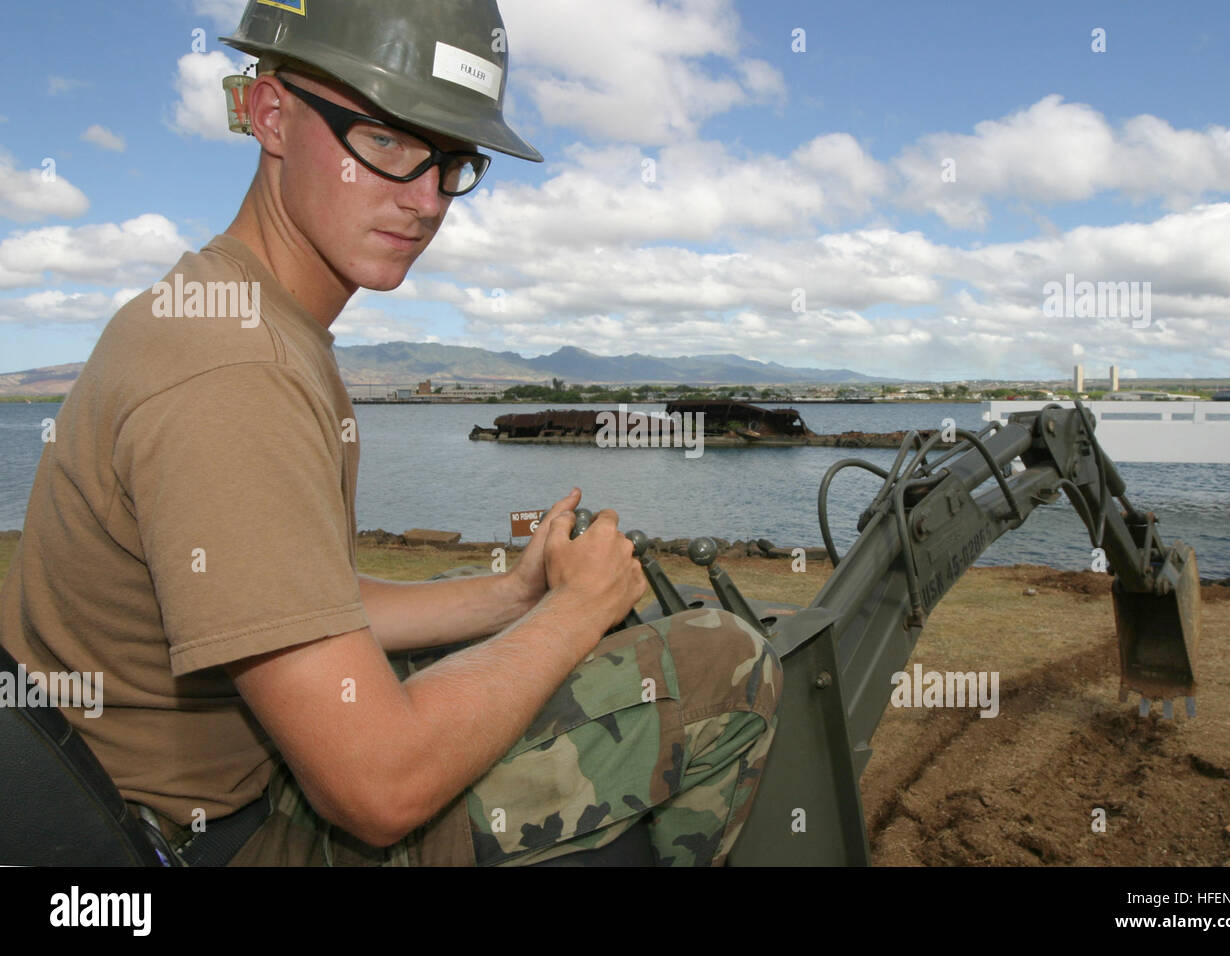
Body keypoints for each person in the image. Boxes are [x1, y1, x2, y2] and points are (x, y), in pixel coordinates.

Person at [0, 0, 781, 866]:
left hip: (169, 802)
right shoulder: (234, 373)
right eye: (384, 142)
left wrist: (513, 598)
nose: (423, 199)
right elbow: (377, 790)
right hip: (211, 843)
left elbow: (297, 597)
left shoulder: (239, 314)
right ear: (271, 116)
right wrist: (574, 610)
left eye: (450, 161)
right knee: (726, 662)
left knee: (477, 612)